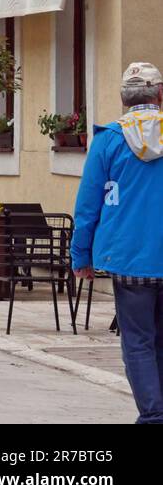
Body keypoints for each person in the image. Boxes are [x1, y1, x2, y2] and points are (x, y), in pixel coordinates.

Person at [73, 61, 163, 424]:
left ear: (125, 100)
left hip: (128, 258)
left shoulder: (109, 140)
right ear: (160, 94)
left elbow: (88, 204)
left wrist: (81, 254)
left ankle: (154, 415)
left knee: (138, 340)